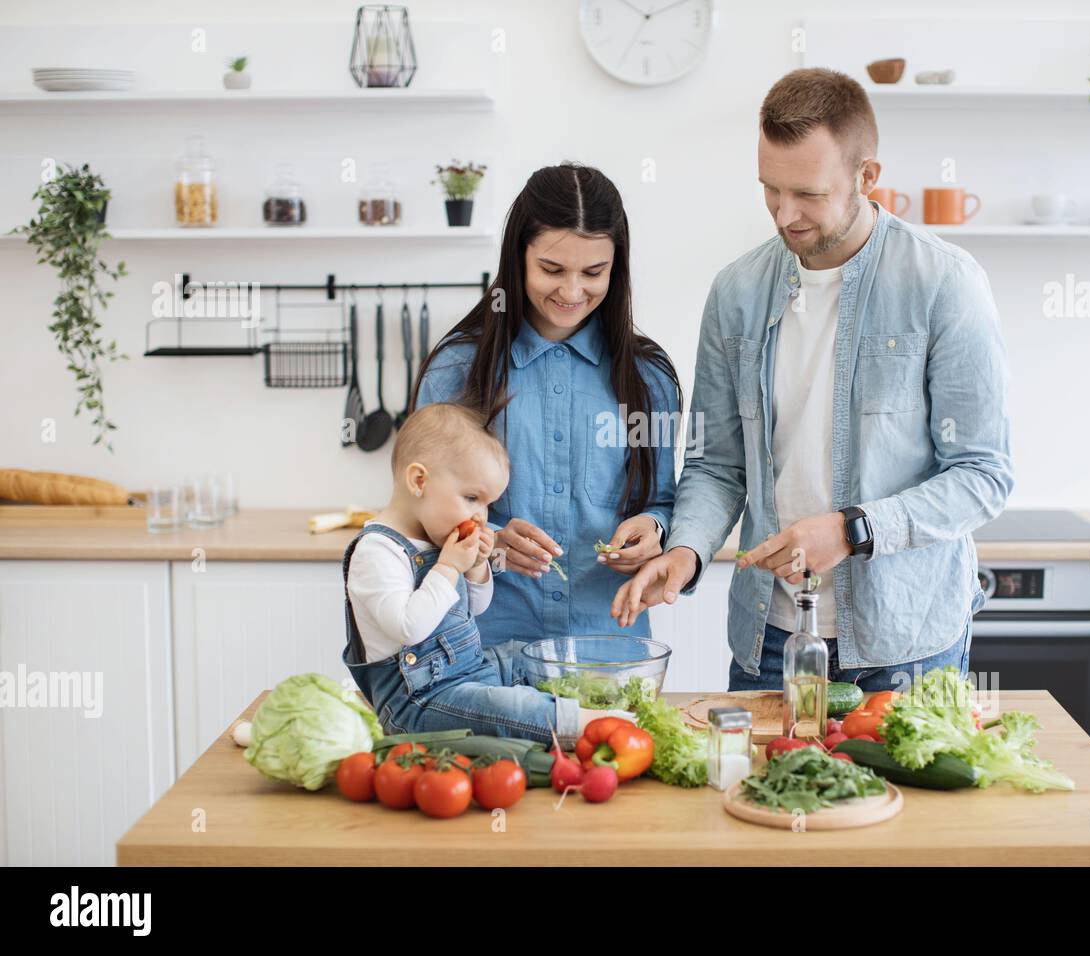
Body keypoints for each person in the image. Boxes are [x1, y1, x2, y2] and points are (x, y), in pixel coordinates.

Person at [611, 68, 1014, 693]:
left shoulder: (944, 284)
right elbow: (718, 464)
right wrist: (685, 551)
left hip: (905, 644)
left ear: (866, 176)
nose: (784, 214)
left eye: (808, 194)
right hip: (768, 638)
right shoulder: (736, 293)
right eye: (770, 189)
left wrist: (853, 530)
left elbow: (983, 476)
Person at [413, 163, 680, 656]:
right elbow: (416, 509)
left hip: (610, 649)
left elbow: (662, 501)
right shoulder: (456, 371)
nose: (572, 292)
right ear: (518, 260)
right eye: (552, 270)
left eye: (594, 272)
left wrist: (655, 530)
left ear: (616, 267)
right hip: (480, 649)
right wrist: (488, 539)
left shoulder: (648, 378)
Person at [342, 402, 631, 746]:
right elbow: (409, 627)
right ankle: (599, 725)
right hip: (418, 704)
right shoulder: (378, 551)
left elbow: (474, 608)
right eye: (471, 498)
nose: (481, 516)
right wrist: (449, 567)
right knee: (510, 706)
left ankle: (614, 697)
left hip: (468, 673)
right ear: (419, 480)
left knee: (529, 659)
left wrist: (477, 567)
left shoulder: (435, 535)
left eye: (487, 504)